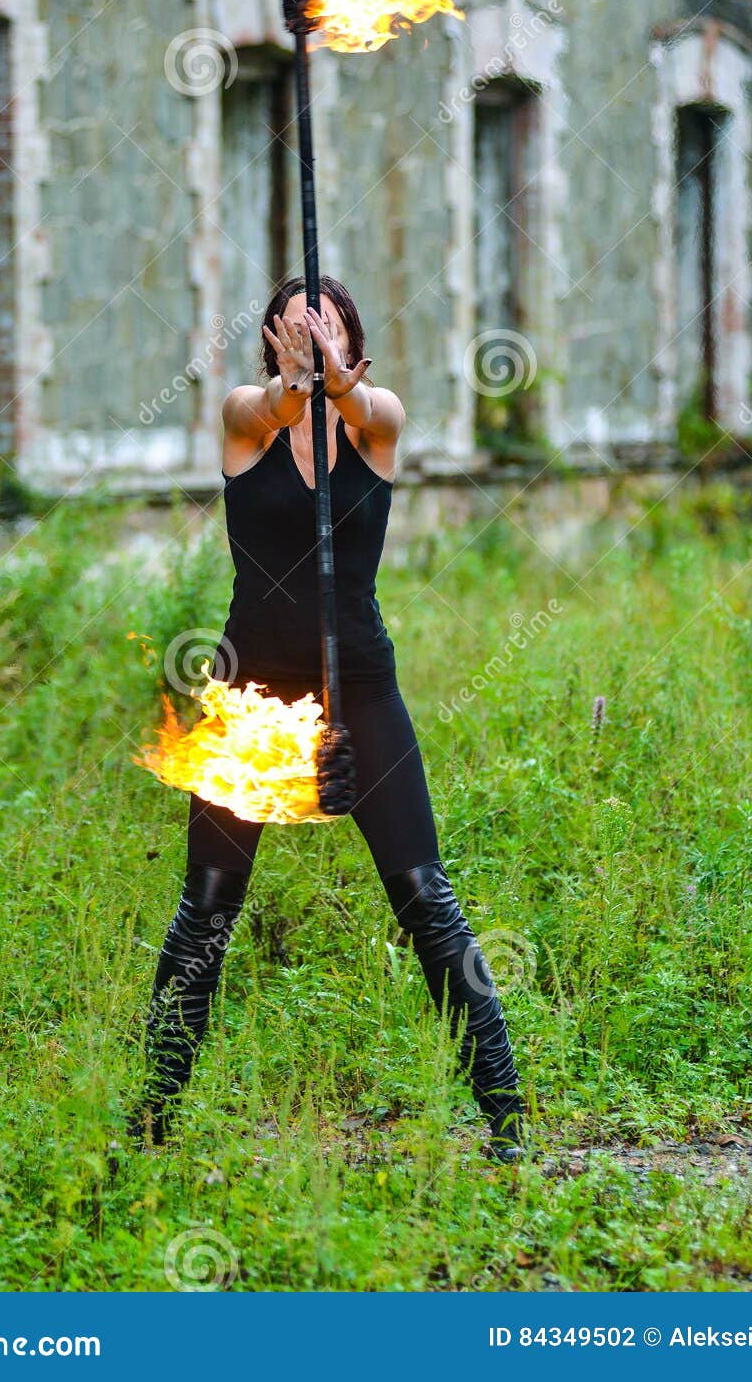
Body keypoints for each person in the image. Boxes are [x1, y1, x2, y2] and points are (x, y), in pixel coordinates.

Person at [130, 274, 527, 1160]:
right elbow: (262, 409)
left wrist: (337, 378)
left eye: (327, 328)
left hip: (361, 691)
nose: (307, 340)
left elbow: (371, 407)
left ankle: (504, 1121)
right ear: (269, 341)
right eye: (291, 328)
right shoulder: (246, 415)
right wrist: (293, 385)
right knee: (206, 909)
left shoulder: (373, 421)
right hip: (248, 695)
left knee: (427, 900)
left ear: (356, 345)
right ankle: (152, 1121)